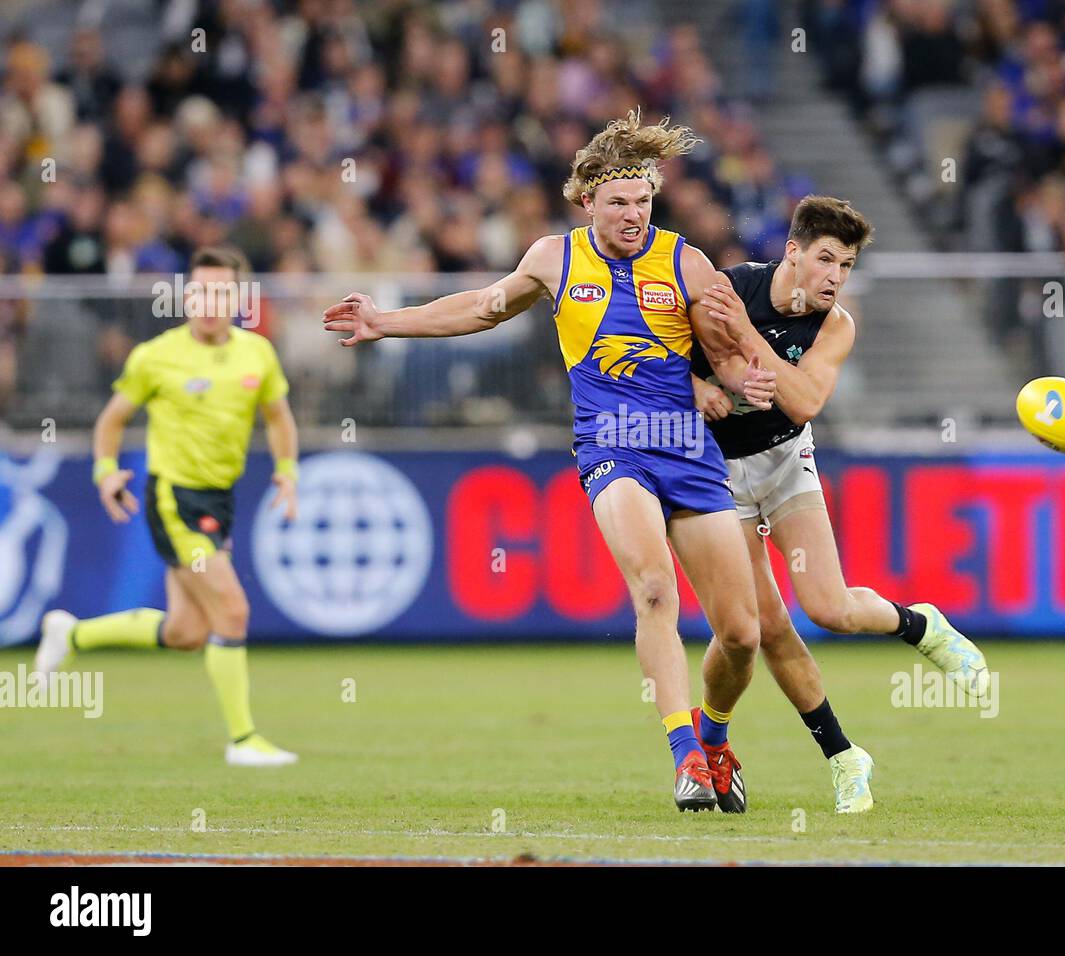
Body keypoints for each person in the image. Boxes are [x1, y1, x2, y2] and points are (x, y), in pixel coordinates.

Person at [323, 110, 779, 812]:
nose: (634, 214)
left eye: (644, 202)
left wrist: (741, 382)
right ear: (587, 200)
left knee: (742, 636)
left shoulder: (686, 262)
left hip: (688, 450)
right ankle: (686, 757)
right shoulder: (552, 259)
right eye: (620, 202)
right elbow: (481, 307)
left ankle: (717, 741)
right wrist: (387, 321)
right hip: (612, 446)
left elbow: (725, 355)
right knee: (655, 589)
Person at [690, 195, 990, 812]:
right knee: (759, 628)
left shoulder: (836, 325)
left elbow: (801, 402)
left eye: (846, 266)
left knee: (829, 609)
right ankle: (843, 756)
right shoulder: (725, 290)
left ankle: (920, 624)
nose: (834, 277)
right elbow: (660, 361)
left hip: (783, 459)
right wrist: (696, 388)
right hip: (715, 472)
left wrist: (747, 339)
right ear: (793, 252)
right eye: (825, 260)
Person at [34, 246, 301, 767]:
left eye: (221, 292)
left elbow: (279, 417)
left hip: (219, 502)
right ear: (186, 296)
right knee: (233, 609)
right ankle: (243, 740)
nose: (209, 301)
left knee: (186, 632)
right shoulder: (155, 356)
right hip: (175, 499)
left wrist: (287, 473)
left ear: (238, 298)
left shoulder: (257, 354)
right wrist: (105, 471)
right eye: (200, 291)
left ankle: (72, 633)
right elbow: (111, 420)